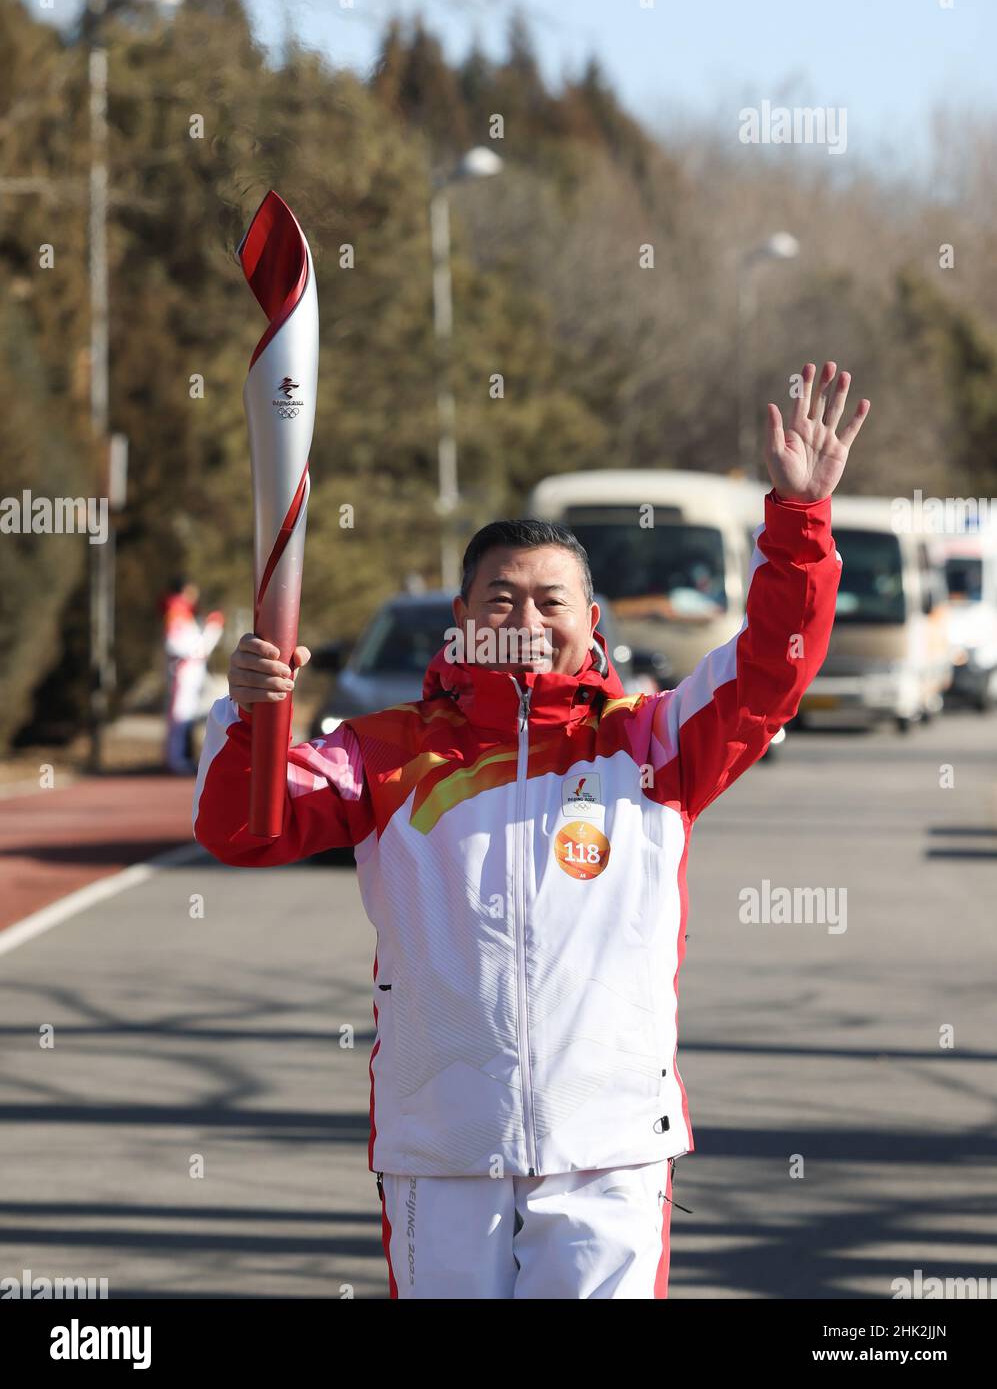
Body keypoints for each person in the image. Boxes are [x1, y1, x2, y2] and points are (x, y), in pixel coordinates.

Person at [192, 361, 869, 1298]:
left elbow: (768, 673)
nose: (525, 617)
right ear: (462, 619)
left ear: (589, 624)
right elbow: (240, 830)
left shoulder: (649, 742)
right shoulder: (383, 753)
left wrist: (796, 525)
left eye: (551, 601)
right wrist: (250, 721)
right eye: (501, 598)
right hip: (442, 1145)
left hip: (609, 1146)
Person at [159, 578, 225, 775]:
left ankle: (180, 757)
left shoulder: (183, 613)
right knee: (179, 716)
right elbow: (181, 646)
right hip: (184, 672)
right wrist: (212, 631)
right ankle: (175, 758)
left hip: (191, 672)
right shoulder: (176, 611)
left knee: (185, 716)